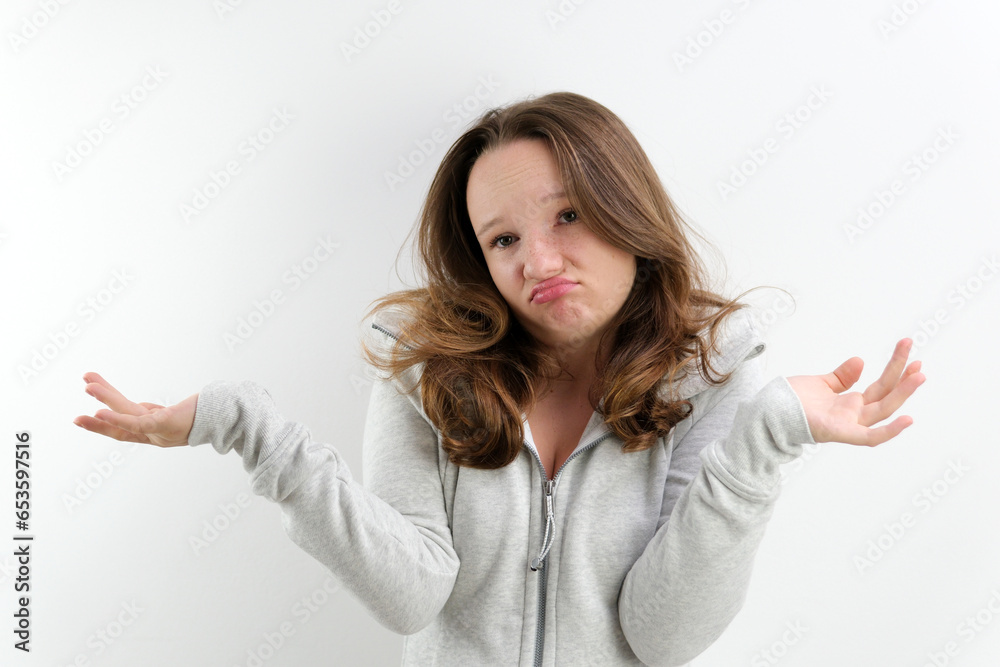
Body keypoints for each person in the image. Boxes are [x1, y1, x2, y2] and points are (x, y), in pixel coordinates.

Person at [73, 92, 925, 666]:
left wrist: (764, 441)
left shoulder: (711, 379)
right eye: (503, 239)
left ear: (627, 210)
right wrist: (247, 427)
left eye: (568, 215)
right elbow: (412, 593)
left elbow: (663, 634)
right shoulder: (427, 379)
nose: (539, 259)